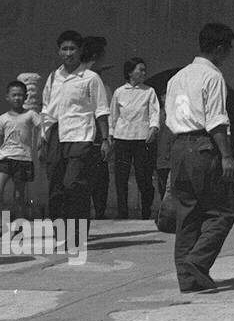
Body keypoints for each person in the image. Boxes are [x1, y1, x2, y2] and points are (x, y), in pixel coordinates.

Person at [165, 23, 234, 293]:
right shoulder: (213, 76)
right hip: (203, 146)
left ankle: (187, 279)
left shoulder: (177, 78)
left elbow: (169, 117)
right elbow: (216, 121)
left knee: (188, 214)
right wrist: (227, 156)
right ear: (219, 49)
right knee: (223, 212)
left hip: (179, 147)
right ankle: (198, 261)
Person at [41, 30, 111, 221]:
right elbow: (47, 108)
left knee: (74, 185)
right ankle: (60, 232)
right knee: (56, 188)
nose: (68, 53)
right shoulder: (53, 78)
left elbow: (101, 110)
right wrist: (43, 137)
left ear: (80, 51)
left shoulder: (90, 78)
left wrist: (105, 139)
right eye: (64, 49)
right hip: (56, 135)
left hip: (81, 136)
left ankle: (76, 236)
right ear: (59, 52)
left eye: (72, 48)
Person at [110, 57, 160, 219]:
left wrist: (153, 128)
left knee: (144, 177)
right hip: (122, 138)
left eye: (145, 70)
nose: (144, 73)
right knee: (121, 178)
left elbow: (154, 113)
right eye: (140, 70)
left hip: (141, 139)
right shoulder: (119, 92)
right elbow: (113, 116)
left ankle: (146, 211)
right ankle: (122, 213)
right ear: (130, 72)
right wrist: (111, 135)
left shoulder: (149, 91)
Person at [0, 80, 43, 219]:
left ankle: (19, 222)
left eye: (20, 95)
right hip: (5, 158)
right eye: (14, 95)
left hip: (23, 159)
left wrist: (39, 143)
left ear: (25, 97)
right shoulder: (2, 119)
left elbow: (42, 128)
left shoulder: (30, 115)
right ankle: (2, 221)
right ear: (8, 97)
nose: (17, 98)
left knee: (19, 196)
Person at [79, 36, 113, 220]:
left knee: (100, 182)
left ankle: (97, 218)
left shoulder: (101, 83)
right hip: (85, 139)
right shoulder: (81, 79)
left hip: (95, 139)